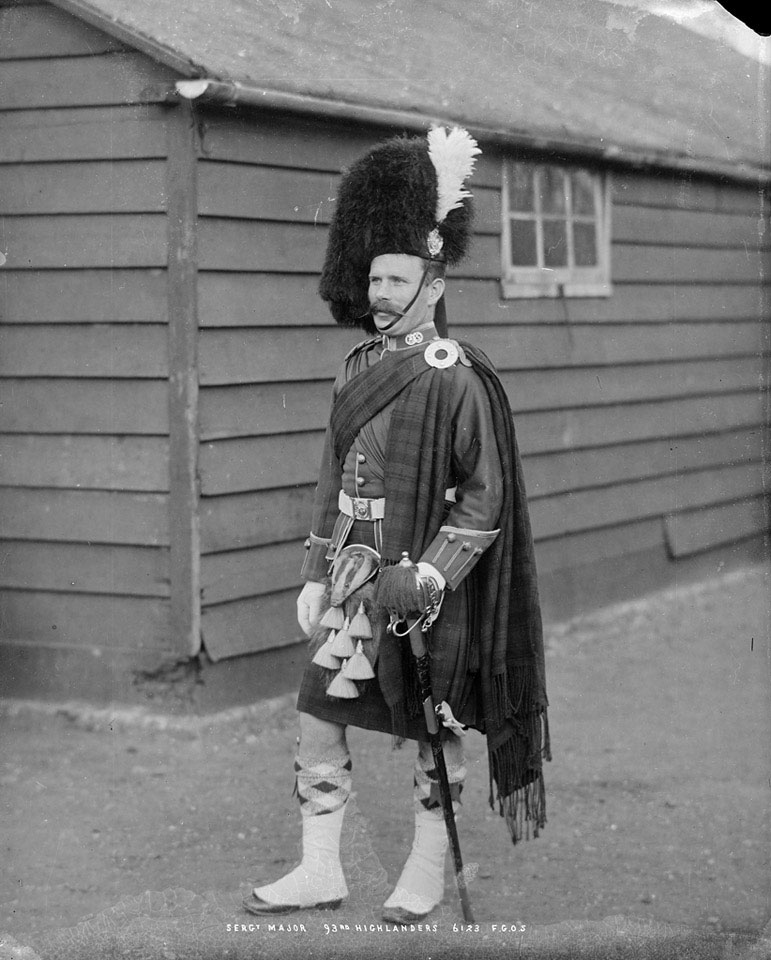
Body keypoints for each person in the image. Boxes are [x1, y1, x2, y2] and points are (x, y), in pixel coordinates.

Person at [243, 126, 550, 923]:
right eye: (373, 276)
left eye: (396, 277)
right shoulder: (356, 369)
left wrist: (431, 573)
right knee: (317, 714)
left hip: (419, 587)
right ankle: (320, 869)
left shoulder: (457, 379)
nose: (378, 292)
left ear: (432, 281)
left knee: (428, 728)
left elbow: (483, 500)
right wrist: (316, 572)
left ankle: (423, 870)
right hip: (352, 577)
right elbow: (330, 484)